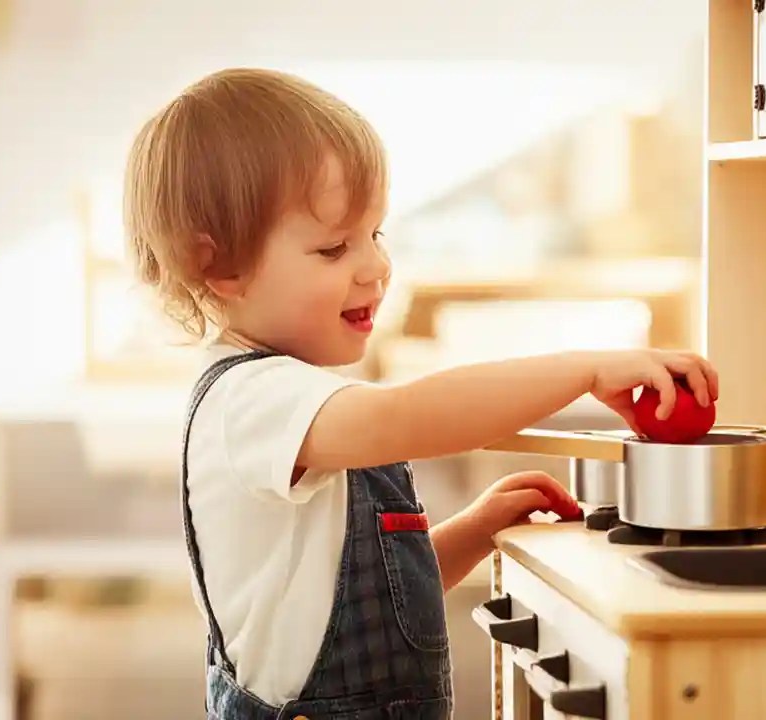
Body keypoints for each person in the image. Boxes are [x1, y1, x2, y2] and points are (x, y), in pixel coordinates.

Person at [123, 67, 719, 719]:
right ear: (220, 267)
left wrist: (474, 530)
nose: (376, 266)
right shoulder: (254, 401)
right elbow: (404, 415)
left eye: (375, 234)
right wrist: (584, 370)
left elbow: (366, 606)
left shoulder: (297, 399)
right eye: (332, 248)